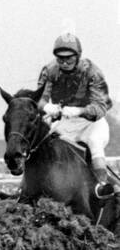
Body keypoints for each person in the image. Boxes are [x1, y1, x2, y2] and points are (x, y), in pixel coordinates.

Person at [36, 33, 114, 195]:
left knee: (94, 142)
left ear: (78, 56)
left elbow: (101, 107)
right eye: (60, 59)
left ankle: (102, 185)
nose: (64, 63)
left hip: (92, 123)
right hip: (65, 122)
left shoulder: (92, 72)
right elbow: (38, 99)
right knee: (42, 144)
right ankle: (26, 188)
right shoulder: (49, 71)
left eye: (69, 58)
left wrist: (80, 111)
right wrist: (46, 107)